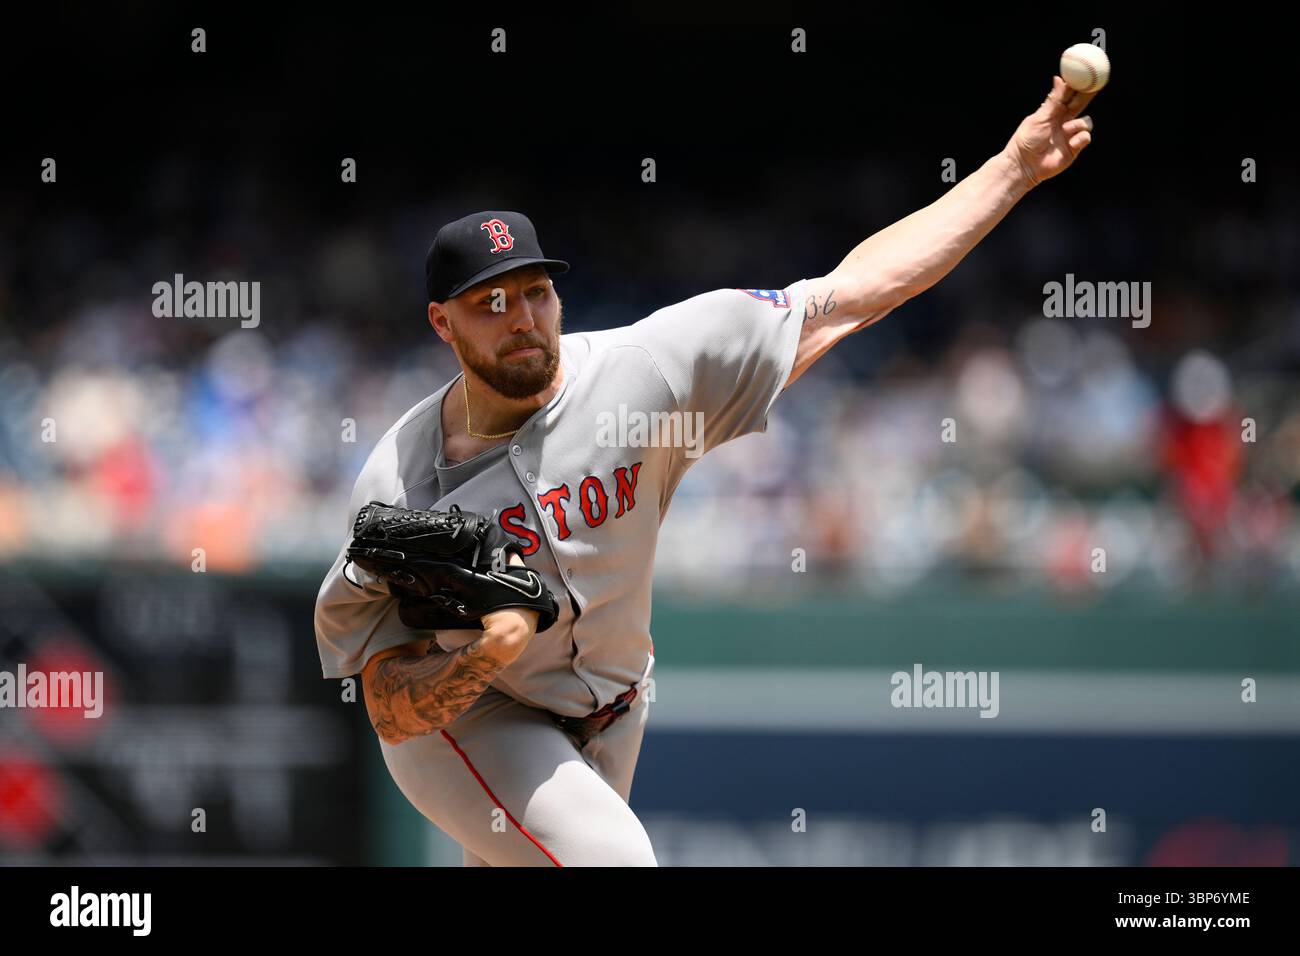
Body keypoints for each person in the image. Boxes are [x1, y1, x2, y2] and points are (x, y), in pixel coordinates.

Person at [313, 75, 1098, 866]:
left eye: (537, 292)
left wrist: (1013, 169)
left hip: (616, 706)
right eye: (491, 303)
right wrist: (483, 654)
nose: (521, 318)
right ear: (442, 324)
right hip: (474, 717)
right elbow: (386, 704)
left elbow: (852, 294)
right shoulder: (399, 485)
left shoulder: (646, 372)